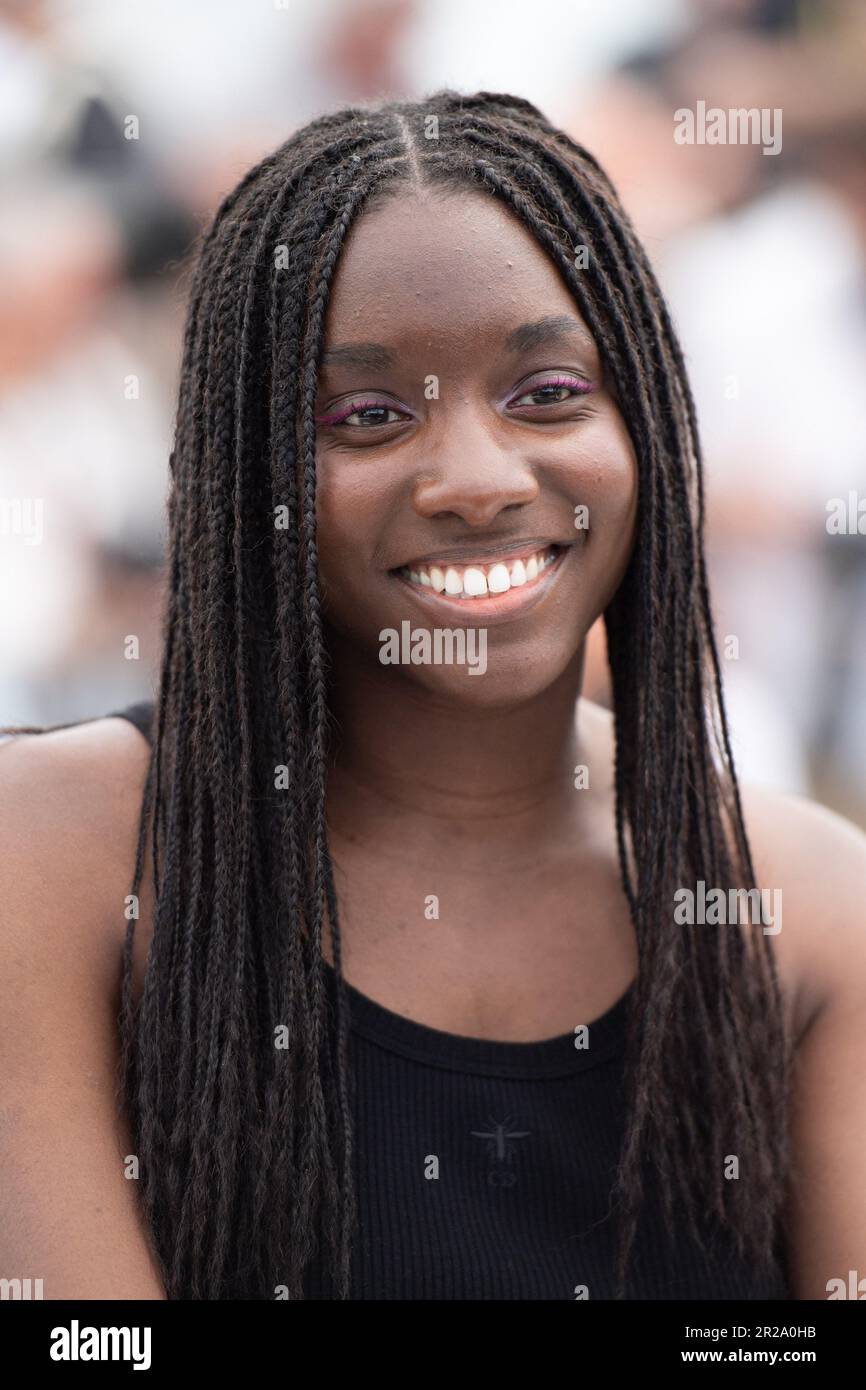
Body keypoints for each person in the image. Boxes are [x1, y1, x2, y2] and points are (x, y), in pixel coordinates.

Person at [0, 90, 863, 1302]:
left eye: (548, 393)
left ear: (649, 427)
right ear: (249, 469)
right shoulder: (48, 855)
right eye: (367, 415)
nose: (473, 477)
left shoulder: (806, 910)